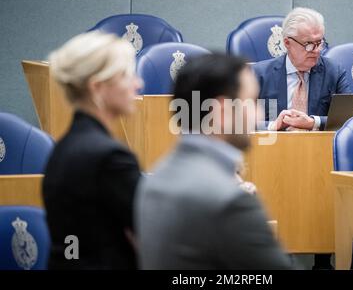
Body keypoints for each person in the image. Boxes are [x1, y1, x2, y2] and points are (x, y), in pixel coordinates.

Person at [135, 54, 291, 269]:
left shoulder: (154, 181)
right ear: (221, 109)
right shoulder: (230, 201)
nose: (259, 114)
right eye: (252, 102)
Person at [43, 31, 143, 269]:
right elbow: (156, 230)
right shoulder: (110, 158)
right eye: (126, 75)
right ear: (97, 88)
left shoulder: (63, 147)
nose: (138, 84)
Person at [253, 7, 350, 131]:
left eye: (319, 42)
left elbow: (349, 118)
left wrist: (315, 122)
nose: (316, 50)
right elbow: (235, 122)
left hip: (317, 147)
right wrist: (272, 125)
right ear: (287, 43)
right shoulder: (259, 74)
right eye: (309, 44)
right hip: (273, 146)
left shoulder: (334, 72)